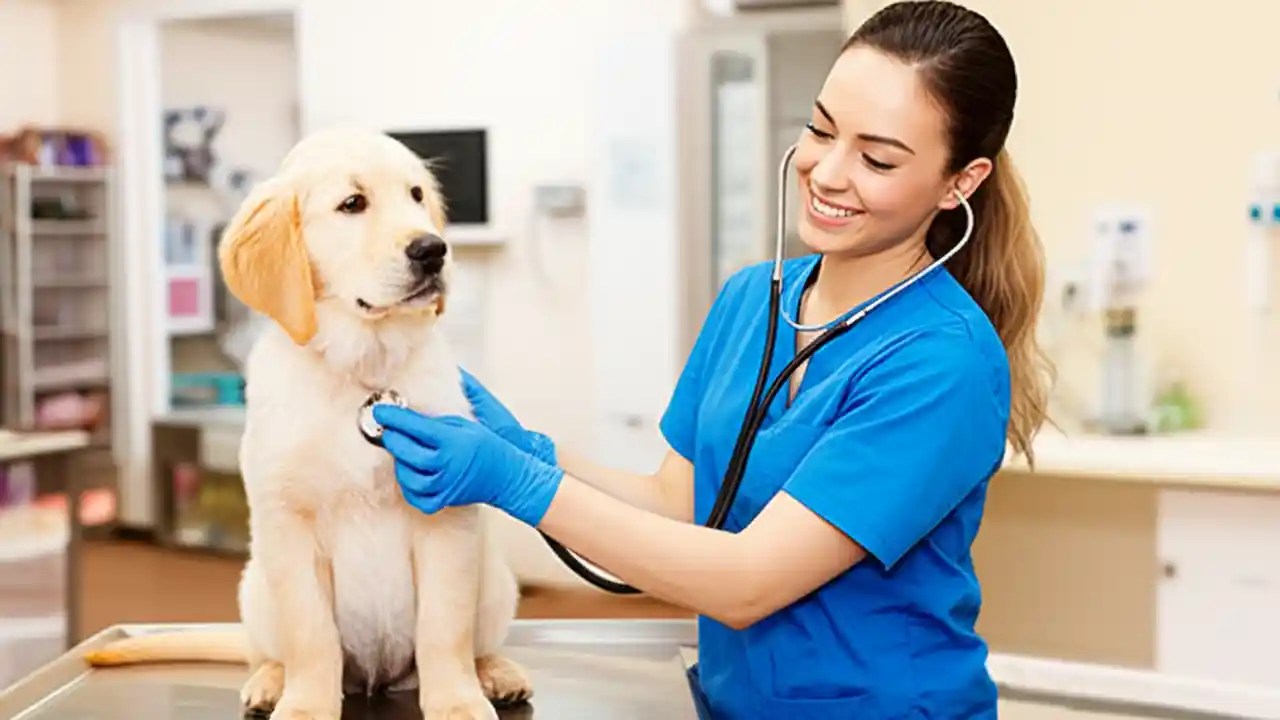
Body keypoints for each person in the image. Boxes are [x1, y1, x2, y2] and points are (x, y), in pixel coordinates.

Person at [372, 1, 1051, 717]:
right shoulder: (751, 299)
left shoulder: (942, 362)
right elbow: (683, 502)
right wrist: (534, 450)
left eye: (877, 158)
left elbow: (746, 581)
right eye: (821, 129)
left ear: (960, 182)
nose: (827, 171)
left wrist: (512, 481)